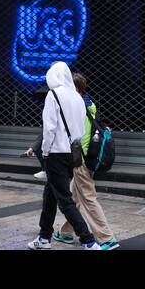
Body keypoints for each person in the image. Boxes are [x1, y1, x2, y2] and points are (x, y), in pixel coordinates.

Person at [27, 61, 102, 250]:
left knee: (64, 199)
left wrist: (44, 151)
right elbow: (79, 131)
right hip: (72, 154)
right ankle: (44, 237)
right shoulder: (77, 98)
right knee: (50, 195)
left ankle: (88, 240)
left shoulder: (53, 95)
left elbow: (49, 129)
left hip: (55, 153)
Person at [56, 73, 119, 248]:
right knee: (75, 197)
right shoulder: (88, 103)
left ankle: (107, 238)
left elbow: (77, 136)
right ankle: (65, 232)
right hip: (88, 157)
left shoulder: (75, 106)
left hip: (80, 159)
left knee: (88, 198)